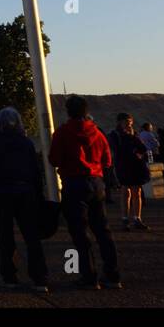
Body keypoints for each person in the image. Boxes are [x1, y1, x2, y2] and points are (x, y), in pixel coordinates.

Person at [49, 95, 121, 289]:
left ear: (68, 111)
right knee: (103, 230)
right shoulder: (97, 133)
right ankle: (113, 274)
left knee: (80, 232)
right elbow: (107, 160)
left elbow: (54, 159)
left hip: (74, 184)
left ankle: (89, 276)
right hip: (96, 183)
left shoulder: (63, 133)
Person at [0, 106, 49, 292]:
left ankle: (9, 276)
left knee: (5, 236)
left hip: (3, 192)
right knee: (32, 236)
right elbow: (35, 170)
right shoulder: (25, 141)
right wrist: (38, 192)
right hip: (26, 191)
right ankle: (40, 278)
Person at [108, 113, 150, 231]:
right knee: (125, 192)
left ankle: (137, 218)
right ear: (119, 122)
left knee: (137, 192)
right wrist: (128, 138)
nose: (129, 124)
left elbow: (143, 148)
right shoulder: (114, 135)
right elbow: (118, 150)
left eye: (130, 122)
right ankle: (125, 219)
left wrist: (133, 137)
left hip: (136, 165)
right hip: (123, 166)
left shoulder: (134, 134)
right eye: (126, 121)